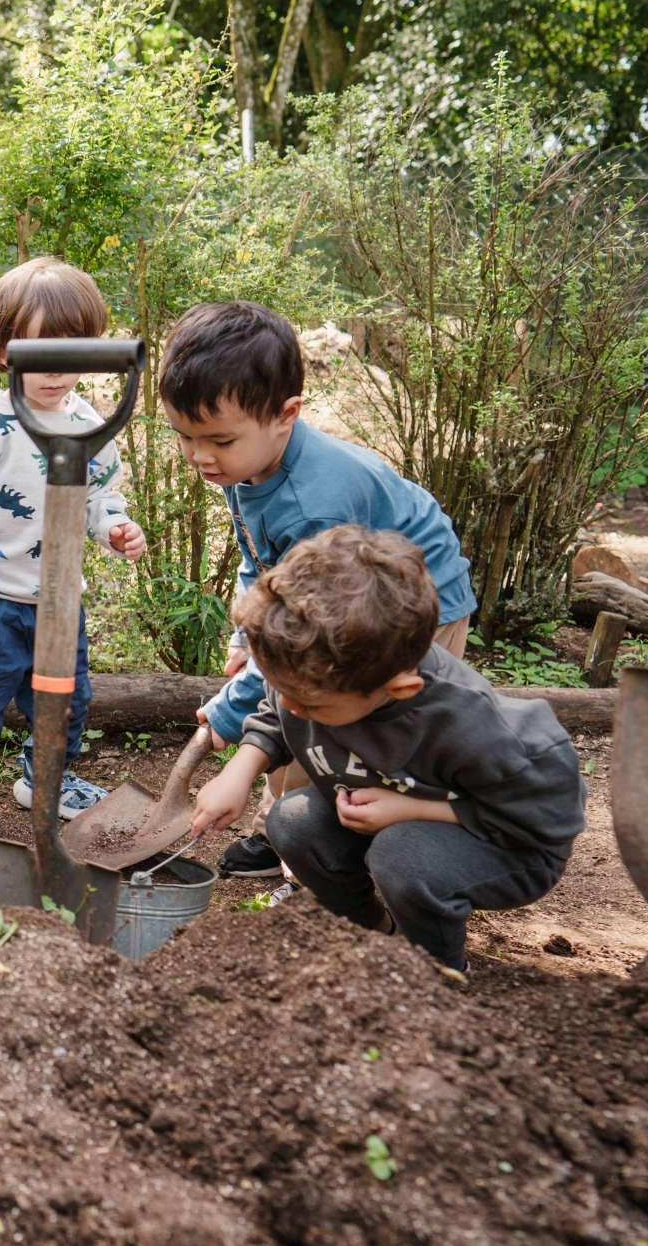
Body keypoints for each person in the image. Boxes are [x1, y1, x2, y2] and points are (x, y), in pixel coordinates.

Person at [160, 301, 475, 879]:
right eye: (185, 437)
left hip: (414, 610)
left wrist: (230, 713)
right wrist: (243, 634)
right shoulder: (247, 463)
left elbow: (306, 642)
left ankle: (345, 863)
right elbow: (261, 557)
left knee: (349, 726)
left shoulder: (315, 504)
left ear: (286, 414)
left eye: (218, 440)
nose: (200, 456)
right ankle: (284, 833)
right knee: (299, 716)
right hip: (337, 596)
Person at [188, 528, 582, 974]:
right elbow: (279, 713)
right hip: (389, 809)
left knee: (401, 855)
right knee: (293, 822)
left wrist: (410, 809)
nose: (296, 710)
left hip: (508, 842)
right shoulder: (313, 675)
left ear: (399, 689)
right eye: (283, 689)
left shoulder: (470, 722)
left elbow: (549, 818)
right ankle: (376, 937)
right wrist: (239, 769)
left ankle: (434, 974)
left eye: (312, 705)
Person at [0, 258, 148, 843]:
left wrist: (116, 527)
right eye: (39, 352)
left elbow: (101, 495)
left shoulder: (87, 422)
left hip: (59, 597)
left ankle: (46, 775)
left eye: (70, 352)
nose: (54, 372)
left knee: (69, 700)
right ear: (3, 351)